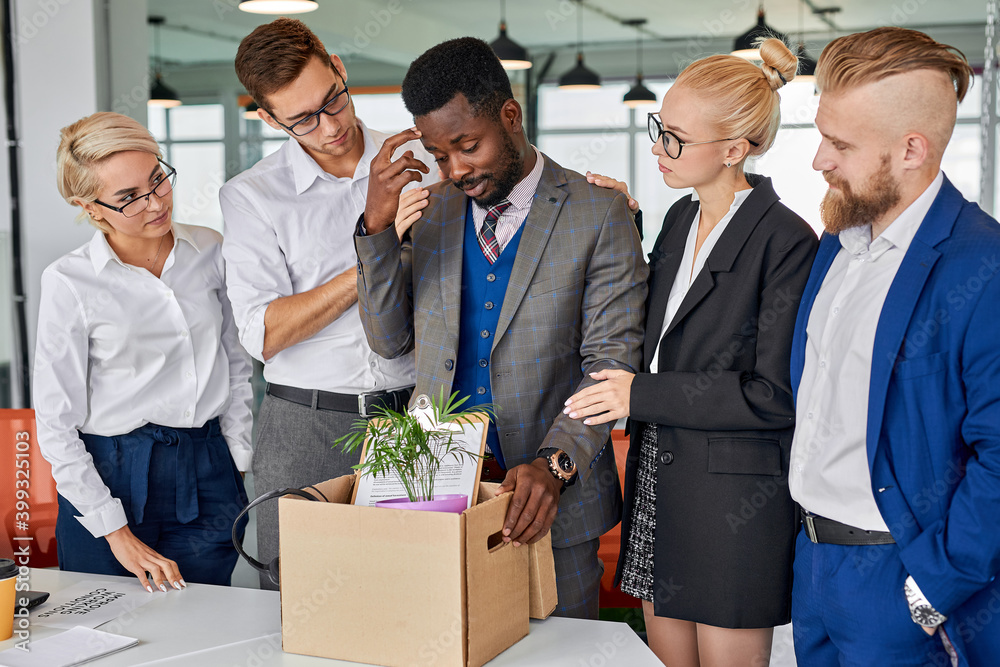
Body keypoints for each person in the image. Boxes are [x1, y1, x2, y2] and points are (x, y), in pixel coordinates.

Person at [354, 37, 648, 619]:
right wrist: (376, 229)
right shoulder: (432, 211)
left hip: (552, 498)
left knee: (559, 652)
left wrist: (555, 463)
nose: (456, 170)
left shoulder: (597, 213)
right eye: (439, 156)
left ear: (510, 115)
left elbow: (609, 363)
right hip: (436, 492)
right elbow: (389, 340)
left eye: (468, 146)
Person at [564, 40, 819, 666]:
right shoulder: (679, 218)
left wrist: (639, 395)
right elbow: (667, 327)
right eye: (660, 129)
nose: (658, 148)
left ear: (734, 149)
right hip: (661, 475)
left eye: (675, 139)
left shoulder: (786, 239)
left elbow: (774, 395)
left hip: (734, 503)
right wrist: (621, 228)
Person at [787, 27, 1000, 666]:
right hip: (812, 562)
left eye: (841, 145)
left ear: (912, 149)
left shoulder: (982, 266)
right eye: (822, 136)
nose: (819, 160)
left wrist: (932, 589)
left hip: (904, 579)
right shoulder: (836, 241)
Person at [220, 18, 435, 589]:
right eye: (303, 120)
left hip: (416, 417)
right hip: (305, 429)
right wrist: (375, 245)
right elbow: (263, 334)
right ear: (269, 119)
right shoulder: (252, 196)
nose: (331, 126)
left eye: (333, 100)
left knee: (419, 593)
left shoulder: (422, 158)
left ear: (338, 68)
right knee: (301, 603)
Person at [33, 112, 252, 591]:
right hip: (108, 476)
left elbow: (235, 363)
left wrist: (235, 460)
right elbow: (55, 421)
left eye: (158, 179)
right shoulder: (69, 281)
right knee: (106, 621)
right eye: (129, 197)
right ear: (89, 208)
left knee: (206, 617)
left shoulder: (210, 250)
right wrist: (113, 530)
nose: (156, 203)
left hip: (207, 468)